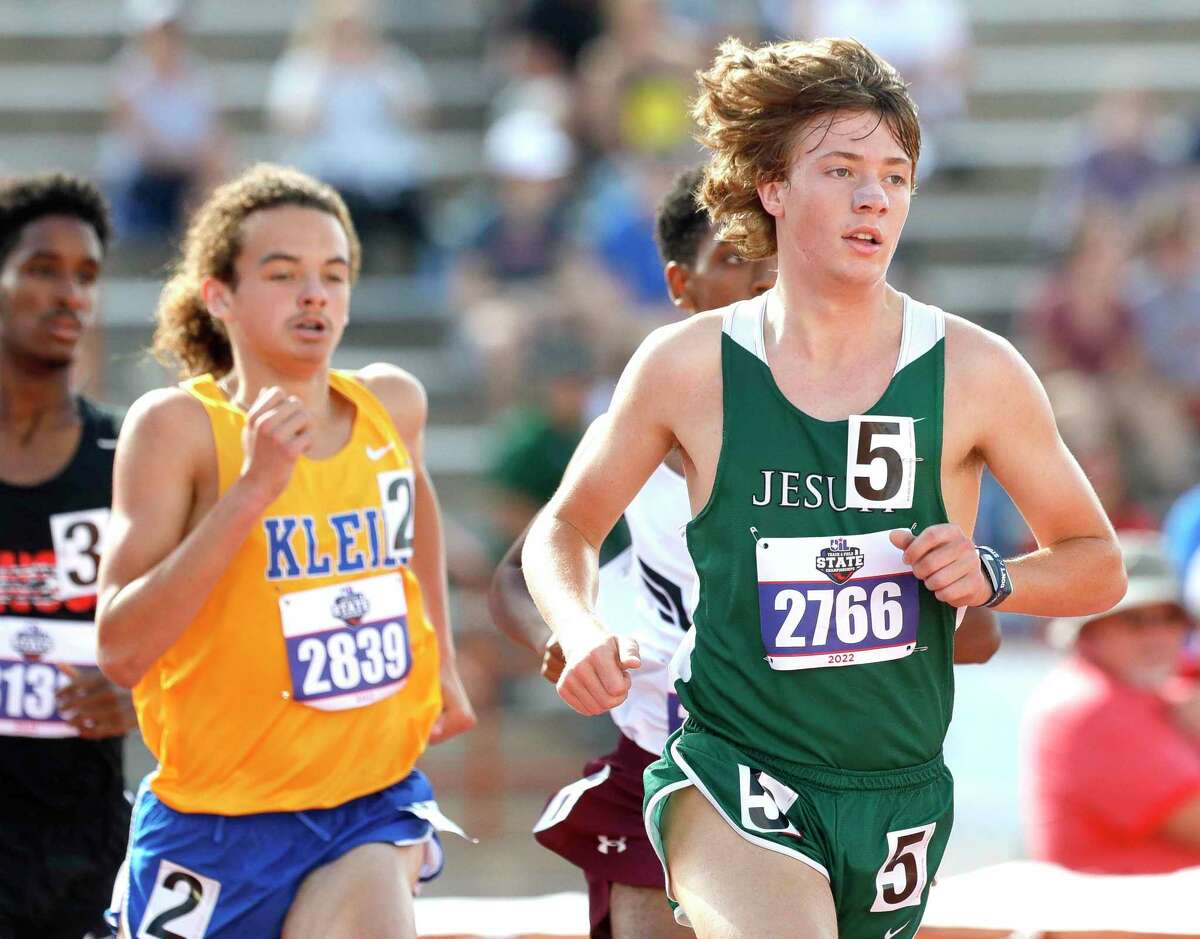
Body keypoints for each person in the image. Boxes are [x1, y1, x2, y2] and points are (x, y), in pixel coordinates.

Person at [521, 37, 1124, 938]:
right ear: (774, 188)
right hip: (733, 767)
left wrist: (995, 576)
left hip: (897, 788)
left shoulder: (977, 370)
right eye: (841, 170)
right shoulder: (686, 365)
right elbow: (564, 526)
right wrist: (577, 625)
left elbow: (1098, 564)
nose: (874, 196)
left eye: (894, 174)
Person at [500, 168, 999, 938]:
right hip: (670, 751)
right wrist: (568, 631)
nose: (760, 281)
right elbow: (530, 562)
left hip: (826, 769)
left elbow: (975, 634)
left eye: (772, 262)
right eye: (734, 260)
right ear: (680, 282)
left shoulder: (845, 432)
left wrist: (947, 593)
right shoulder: (642, 428)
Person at [96, 164, 475, 938]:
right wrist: (250, 492)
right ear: (219, 296)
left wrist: (442, 661)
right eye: (284, 274)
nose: (316, 295)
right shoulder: (175, 428)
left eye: (334, 275)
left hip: (367, 799)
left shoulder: (391, 404)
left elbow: (417, 510)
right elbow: (120, 648)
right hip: (216, 824)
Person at [0, 173, 137, 939]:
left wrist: (143, 693)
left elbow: (205, 630)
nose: (70, 294)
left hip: (83, 851)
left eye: (86, 275)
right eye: (43, 269)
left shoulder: (125, 459)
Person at [1022, 534, 1200, 873]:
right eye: (1134, 621)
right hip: (1121, 921)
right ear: (1089, 630)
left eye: (1170, 618)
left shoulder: (1144, 690)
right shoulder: (1092, 708)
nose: (1158, 637)